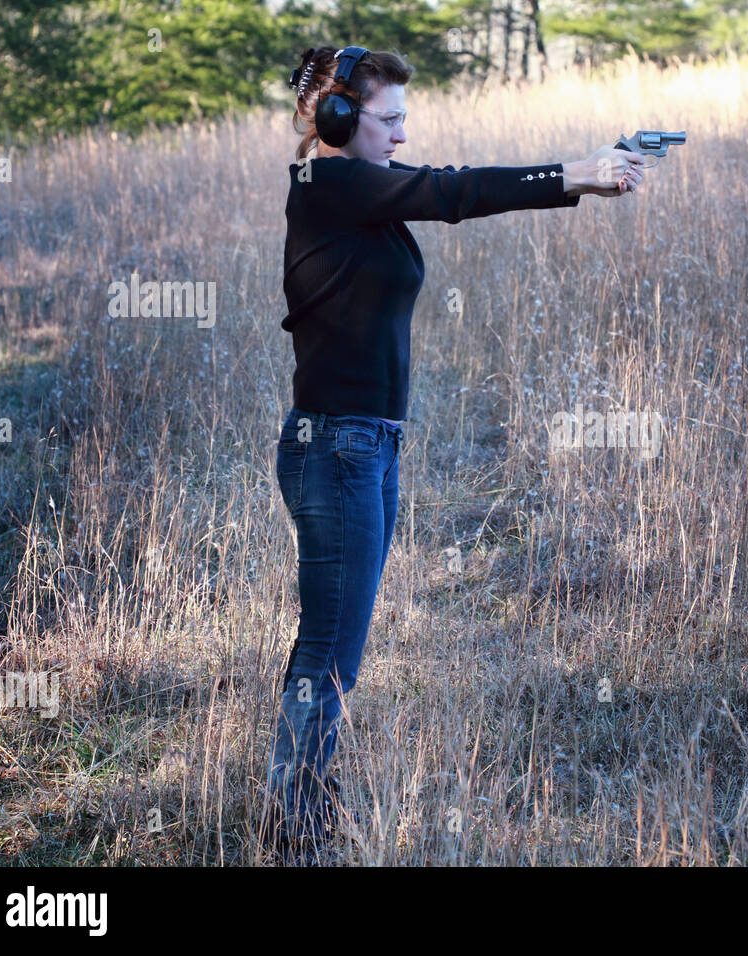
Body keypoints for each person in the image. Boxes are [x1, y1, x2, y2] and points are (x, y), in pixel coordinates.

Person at [263, 44, 645, 863]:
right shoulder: (325, 185)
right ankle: (293, 827)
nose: (404, 135)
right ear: (336, 118)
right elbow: (454, 190)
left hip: (365, 445)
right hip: (337, 448)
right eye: (389, 119)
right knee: (330, 653)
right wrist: (574, 171)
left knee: (336, 649)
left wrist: (581, 180)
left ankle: (303, 808)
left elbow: (436, 192)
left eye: (406, 120)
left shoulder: (358, 196)